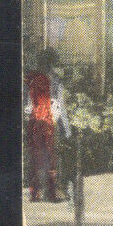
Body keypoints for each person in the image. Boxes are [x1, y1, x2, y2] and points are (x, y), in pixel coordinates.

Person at [23, 50, 70, 202]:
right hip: (49, 123)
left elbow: (26, 104)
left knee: (34, 157)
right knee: (51, 157)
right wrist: (66, 129)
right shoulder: (55, 81)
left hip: (34, 122)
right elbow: (60, 106)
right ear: (51, 64)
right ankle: (51, 193)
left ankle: (34, 193)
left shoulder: (30, 80)